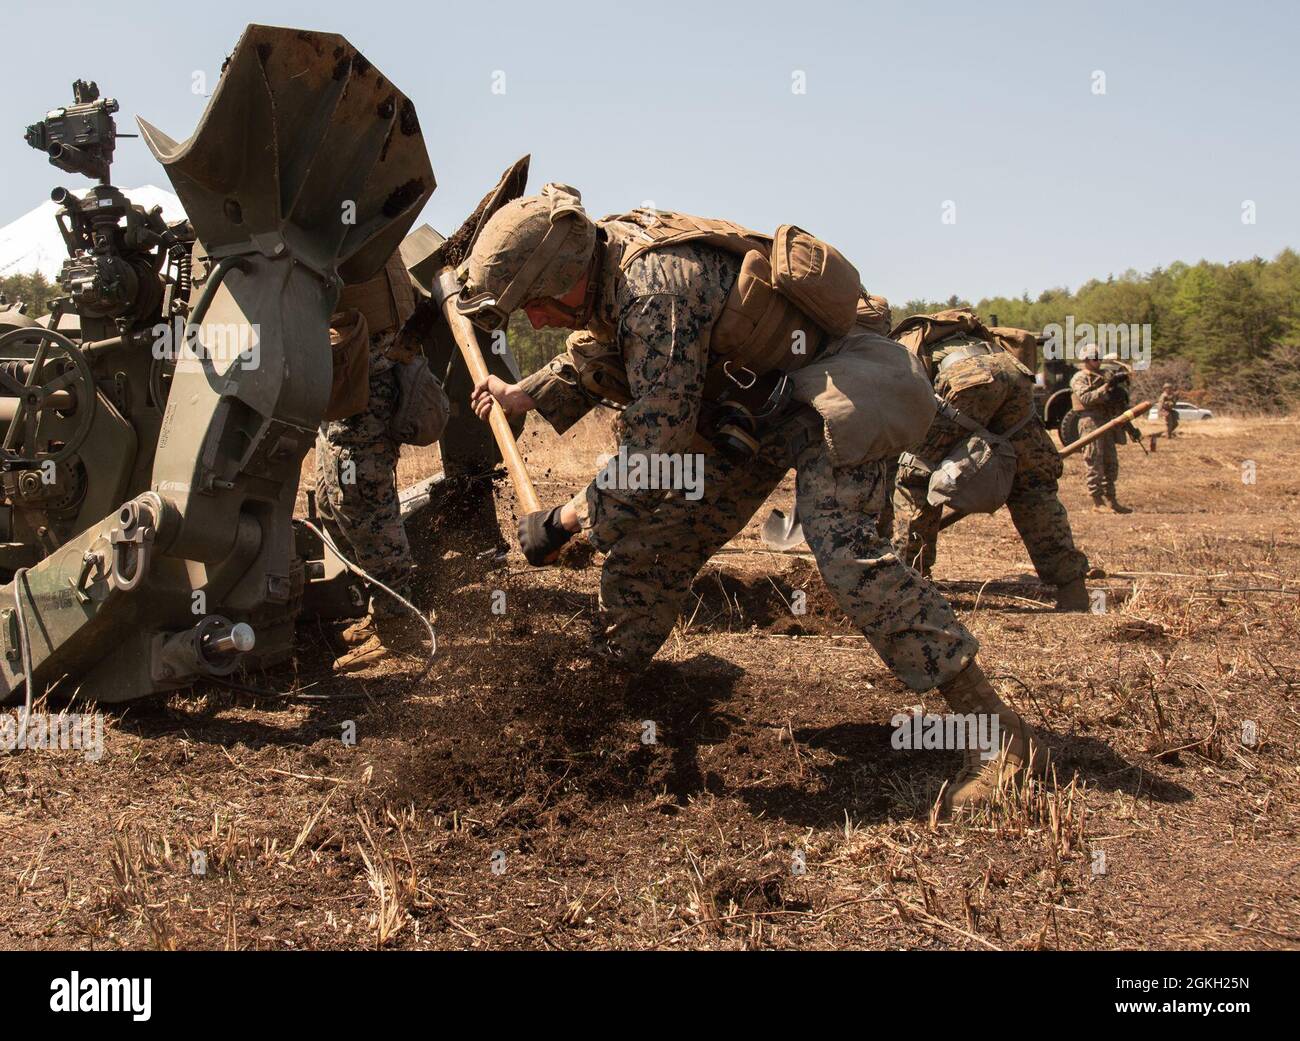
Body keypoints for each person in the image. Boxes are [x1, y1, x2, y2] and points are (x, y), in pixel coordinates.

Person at [459, 184, 1047, 813]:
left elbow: (657, 450)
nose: (536, 320)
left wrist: (568, 517)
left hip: (844, 383)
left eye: (537, 304)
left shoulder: (653, 286)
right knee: (651, 547)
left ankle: (997, 735)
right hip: (759, 408)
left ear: (567, 272)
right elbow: (609, 354)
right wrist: (525, 392)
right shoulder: (609, 269)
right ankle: (607, 692)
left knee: (847, 558)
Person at [890, 310, 1090, 610]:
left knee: (914, 478)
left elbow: (903, 408)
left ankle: (907, 588)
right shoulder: (962, 333)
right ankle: (1072, 590)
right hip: (1014, 372)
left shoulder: (894, 346)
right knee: (1032, 484)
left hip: (967, 378)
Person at [315, 251, 425, 654]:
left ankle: (398, 624)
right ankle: (383, 605)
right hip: (346, 362)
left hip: (366, 363)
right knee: (331, 500)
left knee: (360, 493)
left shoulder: (348, 199)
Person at [1069, 344, 1131, 513]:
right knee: (1094, 460)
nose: (1098, 362)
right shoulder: (1079, 377)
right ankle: (1097, 502)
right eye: (1094, 359)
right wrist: (1107, 386)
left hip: (1107, 421)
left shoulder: (1104, 375)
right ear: (1086, 360)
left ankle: (1112, 499)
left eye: (1099, 358)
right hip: (1090, 421)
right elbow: (1087, 398)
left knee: (1110, 463)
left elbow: (1116, 401)